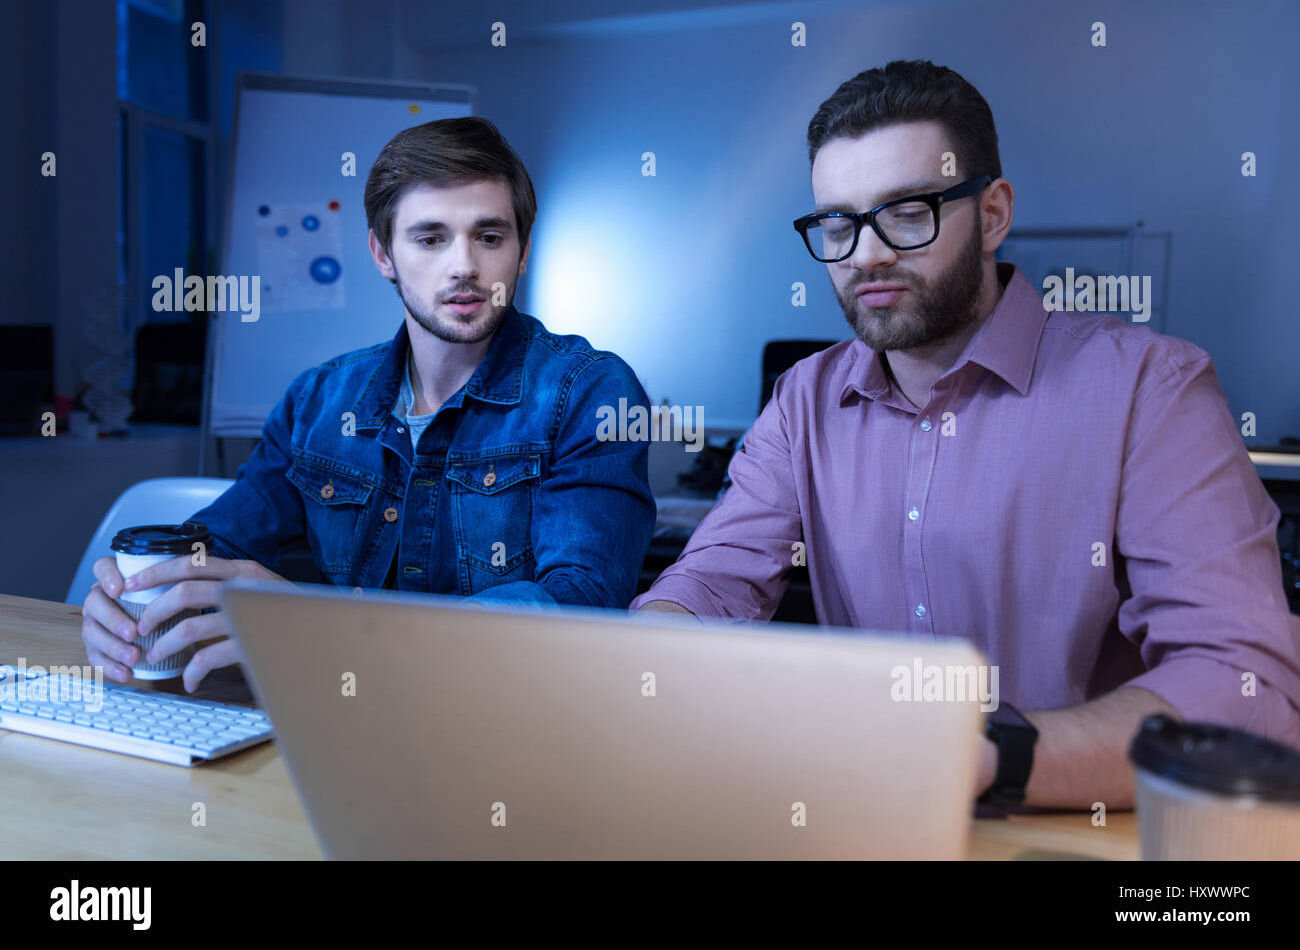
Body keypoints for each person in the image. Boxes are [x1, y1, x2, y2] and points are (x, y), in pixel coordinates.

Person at [633, 60, 1300, 810]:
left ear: (992, 214)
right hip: (866, 823)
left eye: (908, 211)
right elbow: (714, 579)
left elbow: (1250, 686)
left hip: (1076, 832)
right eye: (837, 222)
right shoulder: (802, 403)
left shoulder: (1151, 389)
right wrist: (647, 649)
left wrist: (984, 757)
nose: (866, 253)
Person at [83, 117, 655, 692]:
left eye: (489, 236)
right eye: (430, 238)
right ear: (383, 254)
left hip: (510, 726)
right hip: (338, 713)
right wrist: (133, 593)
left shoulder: (589, 391)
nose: (463, 266)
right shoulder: (319, 399)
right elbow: (220, 543)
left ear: (523, 252)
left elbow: (582, 604)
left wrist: (333, 628)